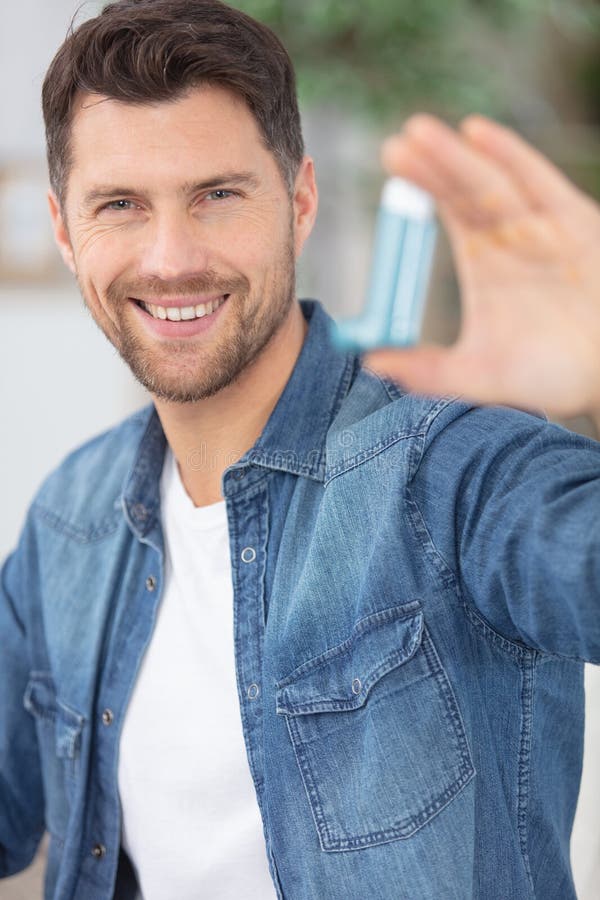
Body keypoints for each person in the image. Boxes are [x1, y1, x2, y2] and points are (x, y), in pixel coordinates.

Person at [0, 1, 599, 898]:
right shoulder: (71, 519)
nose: (170, 259)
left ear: (300, 200)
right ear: (63, 228)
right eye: (120, 205)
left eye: (218, 195)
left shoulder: (450, 468)